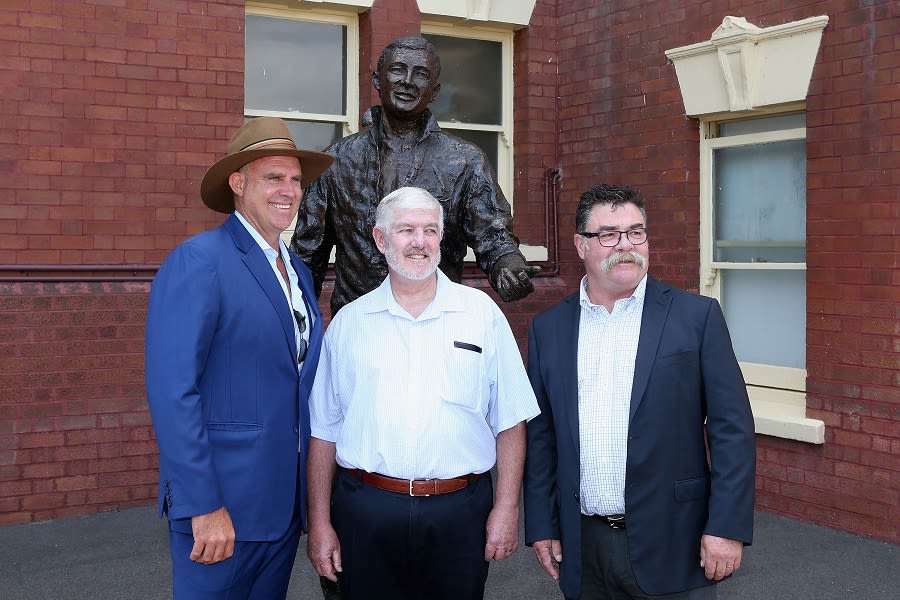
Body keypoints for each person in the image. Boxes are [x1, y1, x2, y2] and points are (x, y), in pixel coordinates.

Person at [305, 186, 540, 600]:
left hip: (460, 511)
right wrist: (321, 523)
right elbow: (324, 431)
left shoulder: (481, 314)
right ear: (380, 239)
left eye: (430, 230)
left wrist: (507, 508)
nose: (420, 241)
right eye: (406, 230)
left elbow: (510, 420)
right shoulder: (349, 323)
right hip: (366, 510)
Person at [523, 184, 756, 599]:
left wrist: (726, 526)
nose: (625, 245)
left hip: (677, 541)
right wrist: (543, 524)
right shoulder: (549, 328)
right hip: (584, 546)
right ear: (580, 244)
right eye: (608, 234)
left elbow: (731, 429)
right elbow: (541, 437)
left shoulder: (696, 317)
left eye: (636, 232)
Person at [145, 117, 332, 599]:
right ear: (238, 183)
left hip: (281, 511)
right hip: (220, 510)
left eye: (296, 180)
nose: (288, 190)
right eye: (274, 177)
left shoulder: (298, 272)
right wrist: (202, 505)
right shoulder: (200, 261)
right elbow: (173, 392)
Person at [291, 36, 539, 316]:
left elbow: (493, 236)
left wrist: (508, 266)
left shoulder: (465, 161)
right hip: (356, 324)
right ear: (377, 80)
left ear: (434, 91)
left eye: (421, 74)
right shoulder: (336, 162)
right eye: (398, 70)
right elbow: (308, 255)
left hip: (436, 322)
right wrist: (295, 318)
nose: (407, 81)